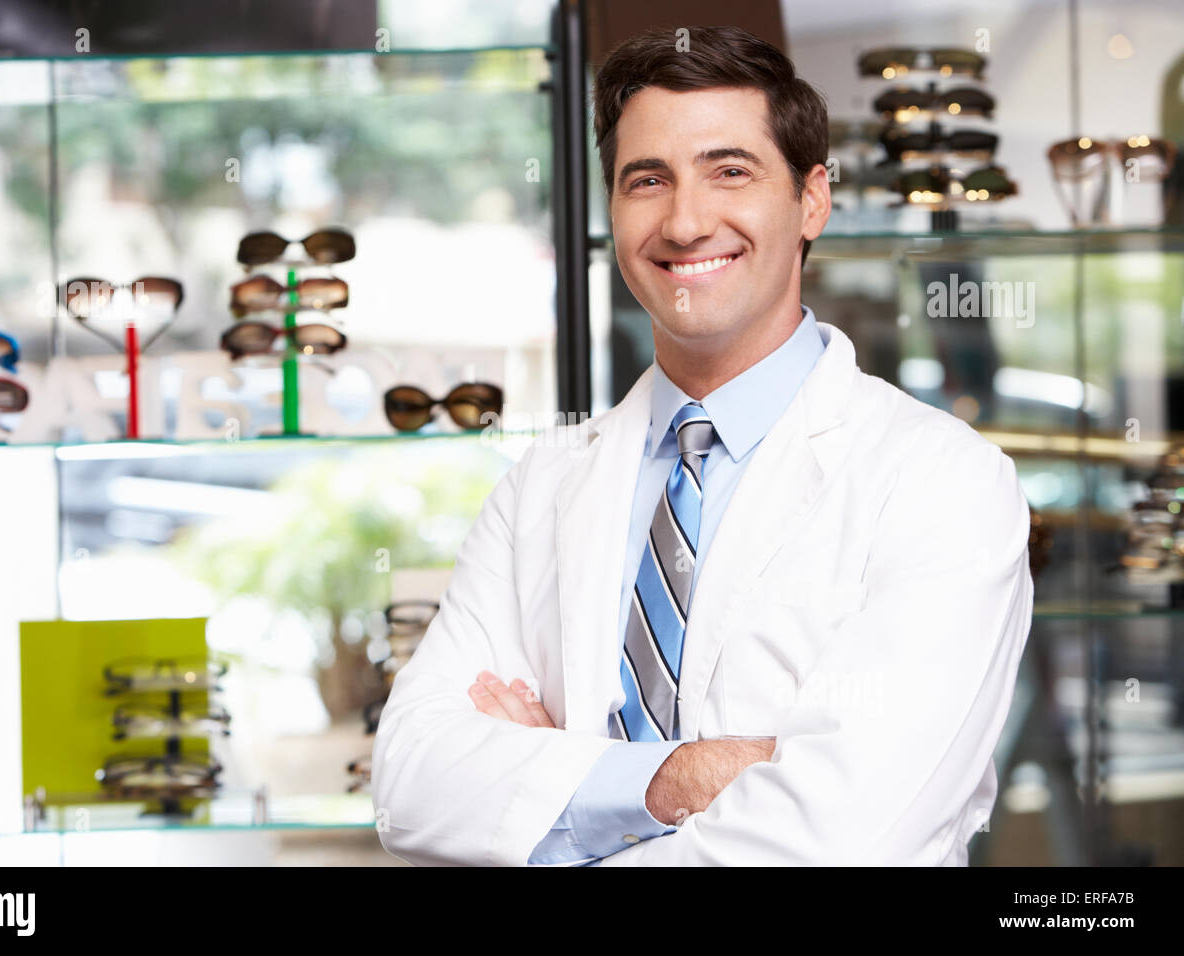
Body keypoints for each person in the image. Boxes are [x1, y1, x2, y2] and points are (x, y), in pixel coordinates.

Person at [371, 25, 1033, 866]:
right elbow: (409, 787)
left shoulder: (945, 483)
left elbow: (835, 843)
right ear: (610, 211)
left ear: (812, 200)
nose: (685, 221)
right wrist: (676, 779)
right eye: (647, 180)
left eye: (730, 171)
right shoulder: (542, 482)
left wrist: (549, 793)